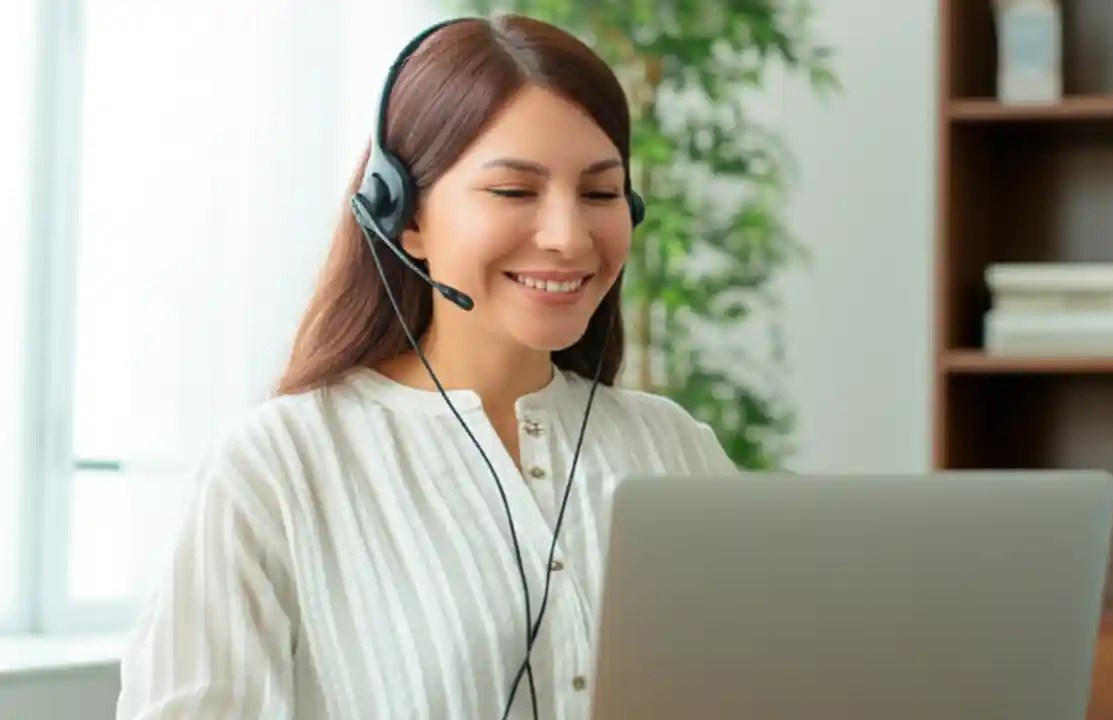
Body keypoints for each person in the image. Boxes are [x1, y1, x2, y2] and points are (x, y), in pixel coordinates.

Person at [114, 13, 736, 720]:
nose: (568, 238)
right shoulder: (280, 468)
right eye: (514, 191)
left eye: (599, 193)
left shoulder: (678, 447)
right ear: (403, 215)